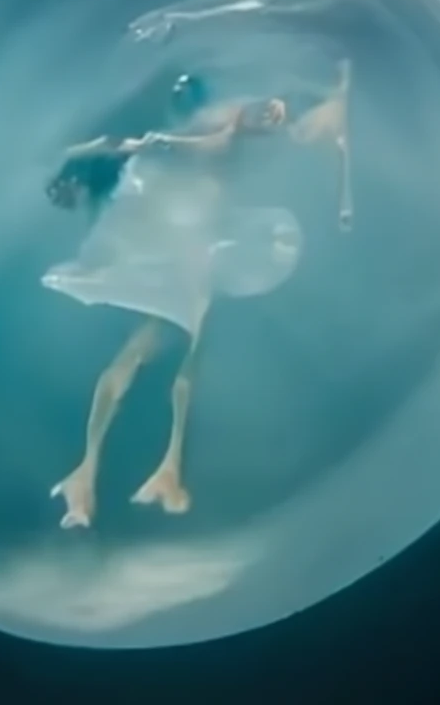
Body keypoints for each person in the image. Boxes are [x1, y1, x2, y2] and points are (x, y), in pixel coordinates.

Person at [43, 60, 353, 529]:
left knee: (154, 348)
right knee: (170, 347)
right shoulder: (195, 131)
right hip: (174, 236)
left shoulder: (207, 126)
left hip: (181, 237)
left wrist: (311, 109)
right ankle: (120, 470)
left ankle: (123, 470)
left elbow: (257, 127)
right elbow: (210, 139)